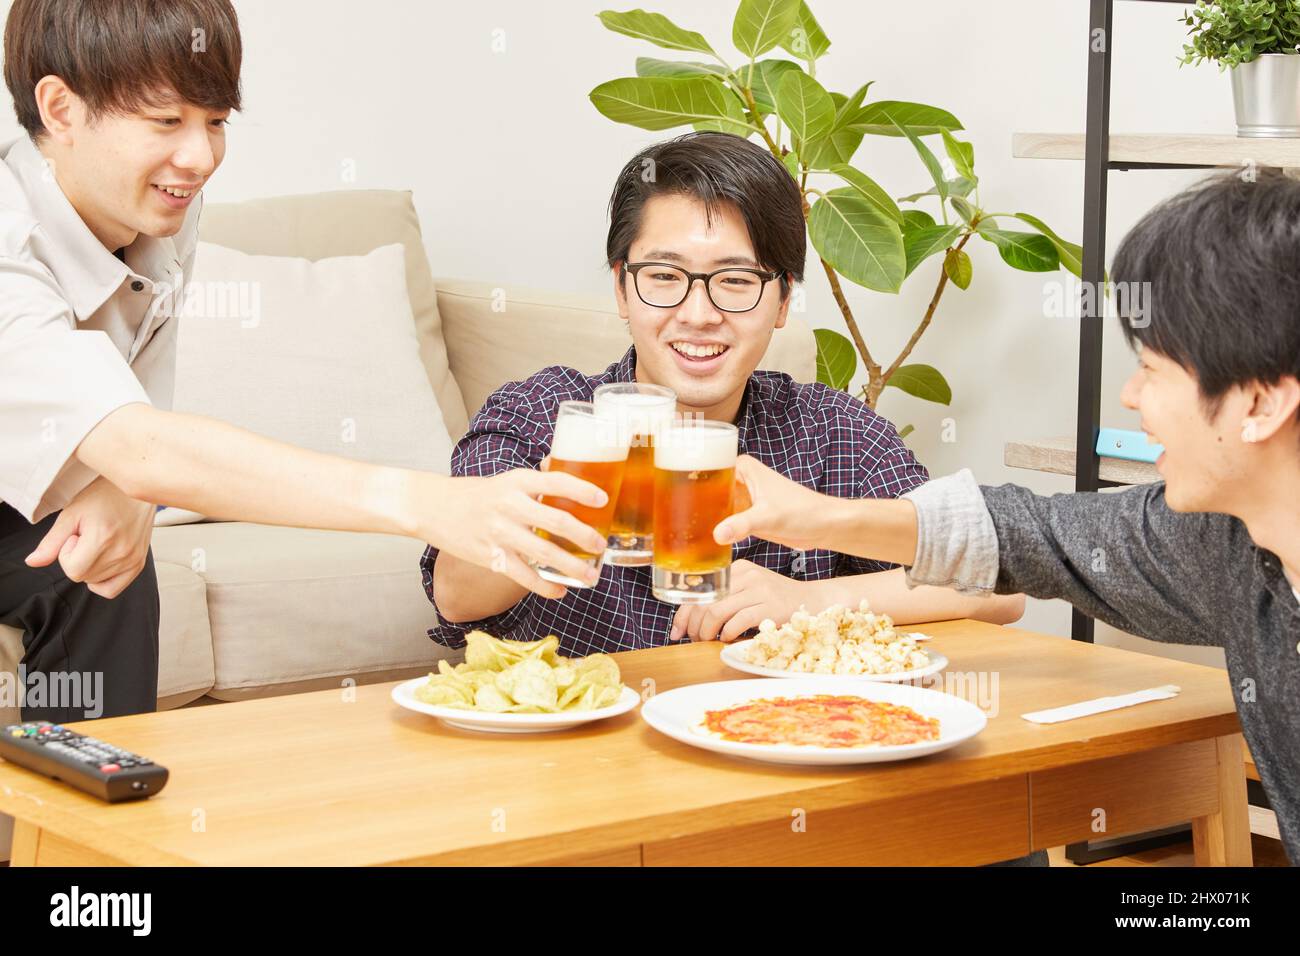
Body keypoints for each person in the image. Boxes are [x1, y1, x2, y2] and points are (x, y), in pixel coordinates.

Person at [0, 0, 607, 726]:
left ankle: (83, 826)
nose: (198, 158)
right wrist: (428, 503)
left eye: (216, 121)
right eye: (166, 121)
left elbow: (138, 409)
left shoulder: (161, 205)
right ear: (60, 108)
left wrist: (127, 493)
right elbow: (138, 445)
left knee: (103, 568)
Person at [713, 169, 1300, 864]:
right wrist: (822, 519)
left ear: (1261, 404)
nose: (1131, 395)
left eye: (1152, 368)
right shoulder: (1221, 542)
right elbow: (1028, 537)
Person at [424, 132, 1024, 657]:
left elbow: (997, 582)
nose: (698, 313)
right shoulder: (540, 412)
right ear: (622, 288)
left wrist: (810, 600)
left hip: (772, 748)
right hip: (579, 762)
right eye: (664, 277)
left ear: (783, 301)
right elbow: (455, 594)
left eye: (735, 281)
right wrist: (572, 502)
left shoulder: (833, 430)